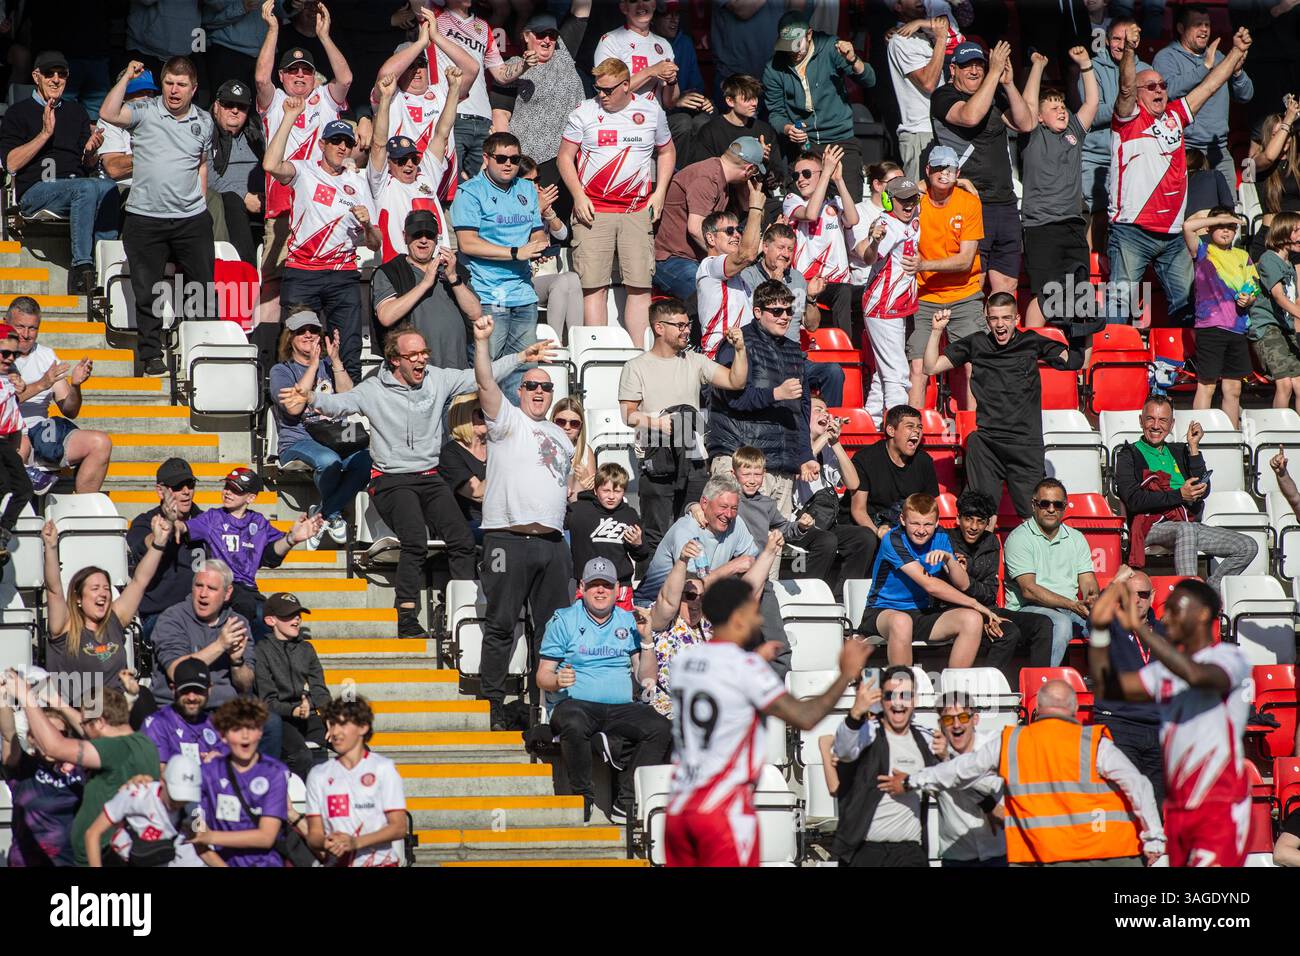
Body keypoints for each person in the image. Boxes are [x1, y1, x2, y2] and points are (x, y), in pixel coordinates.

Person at [278, 327, 542, 638]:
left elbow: (479, 377)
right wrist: (309, 396)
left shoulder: (437, 379)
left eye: (424, 353)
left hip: (430, 476)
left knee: (461, 539)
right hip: (390, 479)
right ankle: (406, 618)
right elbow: (340, 404)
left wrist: (520, 357)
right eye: (413, 355)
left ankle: (466, 611)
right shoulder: (374, 389)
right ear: (394, 361)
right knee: (415, 539)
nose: (422, 360)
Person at [664, 578, 872, 866]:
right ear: (738, 618)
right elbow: (806, 717)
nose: (759, 618)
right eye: (754, 611)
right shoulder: (748, 669)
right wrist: (845, 675)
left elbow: (721, 683)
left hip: (678, 807)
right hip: (723, 810)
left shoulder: (684, 663)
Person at [882, 678, 1165, 866]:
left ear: (1037, 708)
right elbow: (1138, 784)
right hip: (1107, 853)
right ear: (1075, 708)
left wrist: (910, 780)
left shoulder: (1012, 741)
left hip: (1046, 856)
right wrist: (1153, 837)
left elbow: (958, 771)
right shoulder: (1095, 744)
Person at [1089, 576, 1251, 866]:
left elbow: (1197, 676)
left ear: (1202, 614)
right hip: (1178, 805)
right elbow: (1105, 686)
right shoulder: (1164, 671)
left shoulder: (1229, 657)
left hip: (1217, 802)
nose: (1166, 616)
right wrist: (1100, 631)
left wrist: (1139, 628)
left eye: (1176, 609)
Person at [1106, 22, 1251, 327]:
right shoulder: (1128, 118)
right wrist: (1131, 50)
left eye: (1162, 85)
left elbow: (1209, 86)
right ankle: (1113, 363)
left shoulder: (1175, 115)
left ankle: (1180, 363)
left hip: (1172, 233)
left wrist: (1237, 52)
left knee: (1187, 305)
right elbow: (1126, 86)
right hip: (1132, 230)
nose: (1159, 90)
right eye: (1152, 87)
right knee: (1119, 305)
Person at [472, 314, 575, 728]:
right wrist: (483, 342)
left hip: (552, 543)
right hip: (507, 538)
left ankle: (545, 706)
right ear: (520, 391)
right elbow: (483, 382)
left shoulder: (562, 436)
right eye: (531, 385)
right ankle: (495, 704)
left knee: (553, 632)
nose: (538, 391)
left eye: (545, 387)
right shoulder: (507, 420)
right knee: (500, 622)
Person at [99, 57, 215, 378]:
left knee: (202, 288)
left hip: (190, 220)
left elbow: (201, 163)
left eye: (181, 85)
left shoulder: (205, 121)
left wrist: (201, 206)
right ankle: (151, 355)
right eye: (169, 83)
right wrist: (126, 77)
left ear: (193, 89)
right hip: (145, 217)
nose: (174, 91)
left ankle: (201, 349)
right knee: (147, 291)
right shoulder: (145, 110)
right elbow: (107, 113)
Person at [924, 293, 1084, 517]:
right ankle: (982, 550)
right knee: (979, 513)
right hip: (989, 442)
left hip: (1025, 444)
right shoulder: (977, 343)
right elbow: (931, 367)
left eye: (1006, 318)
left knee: (1034, 518)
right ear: (986, 319)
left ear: (1017, 318)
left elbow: (1077, 362)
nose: (1000, 325)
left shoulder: (1031, 341)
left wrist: (1085, 334)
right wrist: (936, 331)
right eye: (994, 319)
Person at [538, 556, 671, 823]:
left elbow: (646, 677)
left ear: (616, 591)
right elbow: (542, 675)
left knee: (661, 728)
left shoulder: (628, 619)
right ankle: (582, 798)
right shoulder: (564, 620)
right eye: (594, 585)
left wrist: (646, 642)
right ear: (582, 588)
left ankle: (626, 801)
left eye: (607, 585)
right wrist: (556, 681)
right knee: (573, 721)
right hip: (576, 703)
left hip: (621, 706)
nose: (601, 591)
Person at [558, 57, 675, 346]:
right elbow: (564, 157)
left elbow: (667, 151)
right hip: (593, 211)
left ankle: (637, 357)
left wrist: (659, 192)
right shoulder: (584, 111)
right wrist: (578, 194)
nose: (602, 95)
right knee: (593, 286)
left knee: (639, 287)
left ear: (626, 85)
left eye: (609, 90)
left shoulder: (650, 110)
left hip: (636, 209)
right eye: (598, 88)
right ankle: (597, 354)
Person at [618, 298, 747, 554]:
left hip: (692, 453)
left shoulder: (695, 360)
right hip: (658, 453)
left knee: (692, 531)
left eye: (688, 325)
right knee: (656, 536)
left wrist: (741, 350)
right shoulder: (636, 366)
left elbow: (736, 381)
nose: (687, 330)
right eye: (680, 325)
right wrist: (656, 423)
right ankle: (653, 590)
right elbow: (628, 414)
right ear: (659, 327)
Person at [264, 99, 380, 382]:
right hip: (303, 274)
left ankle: (346, 410)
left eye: (347, 143)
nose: (342, 147)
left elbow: (375, 243)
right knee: (296, 342)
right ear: (322, 144)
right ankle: (292, 405)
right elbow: (270, 164)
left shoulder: (358, 183)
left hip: (343, 275)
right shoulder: (304, 171)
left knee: (349, 346)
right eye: (335, 141)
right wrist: (289, 116)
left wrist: (367, 225)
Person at [254, 0, 353, 311]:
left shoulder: (325, 99)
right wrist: (272, 30)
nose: (299, 76)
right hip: (283, 207)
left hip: (323, 206)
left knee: (322, 283)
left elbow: (346, 79)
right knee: (274, 283)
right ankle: (270, 353)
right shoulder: (276, 101)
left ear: (314, 77)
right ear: (282, 76)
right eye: (292, 71)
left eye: (306, 71)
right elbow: (260, 79)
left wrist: (324, 35)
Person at [0, 50, 118, 295]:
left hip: (74, 186)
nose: (55, 79)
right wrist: (44, 134)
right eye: (48, 73)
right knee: (85, 188)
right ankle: (81, 270)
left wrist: (90, 151)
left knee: (108, 188)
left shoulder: (76, 112)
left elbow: (88, 163)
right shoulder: (18, 112)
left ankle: (106, 267)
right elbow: (11, 163)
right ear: (36, 76)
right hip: (36, 190)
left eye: (61, 74)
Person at [6, 681, 161, 868]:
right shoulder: (141, 742)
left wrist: (26, 696)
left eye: (85, 723)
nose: (83, 729)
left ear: (101, 722)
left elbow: (54, 746)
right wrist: (59, 703)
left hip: (107, 858)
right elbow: (93, 730)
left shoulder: (113, 748)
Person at [1113, 394, 1257, 589]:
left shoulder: (1181, 450)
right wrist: (1179, 495)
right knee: (1186, 529)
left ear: (1172, 424)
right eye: (1150, 419)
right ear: (1141, 421)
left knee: (1247, 546)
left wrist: (1194, 448)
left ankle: (1207, 591)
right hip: (1150, 525)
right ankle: (1189, 598)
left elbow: (1203, 491)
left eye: (1163, 420)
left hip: (1185, 523)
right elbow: (1133, 500)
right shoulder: (1128, 454)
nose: (1156, 426)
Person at [929, 40, 1036, 297]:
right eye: (968, 66)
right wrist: (994, 74)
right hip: (970, 202)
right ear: (953, 70)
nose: (975, 71)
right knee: (974, 283)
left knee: (1007, 286)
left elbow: (1027, 123)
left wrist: (1008, 83)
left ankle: (1000, 336)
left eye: (979, 65)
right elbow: (970, 116)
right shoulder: (944, 96)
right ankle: (972, 337)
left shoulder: (995, 93)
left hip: (1005, 202)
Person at [707, 280, 818, 518]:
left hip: (782, 464)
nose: (785, 317)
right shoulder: (737, 344)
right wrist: (776, 394)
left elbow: (802, 409)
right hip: (744, 463)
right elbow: (731, 397)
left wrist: (805, 455)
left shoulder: (793, 350)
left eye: (789, 311)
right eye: (777, 311)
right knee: (741, 545)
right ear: (758, 312)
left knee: (774, 546)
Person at [451, 130, 547, 399]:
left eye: (515, 159)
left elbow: (537, 231)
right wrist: (516, 252)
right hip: (488, 295)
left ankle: (519, 436)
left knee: (525, 375)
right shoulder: (470, 192)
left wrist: (538, 245)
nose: (509, 164)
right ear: (486, 158)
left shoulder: (527, 188)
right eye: (501, 158)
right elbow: (467, 243)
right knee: (487, 373)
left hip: (524, 296)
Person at [855, 493, 1000, 668]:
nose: (921, 530)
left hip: (922, 613)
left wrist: (949, 559)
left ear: (937, 522)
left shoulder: (941, 537)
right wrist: (975, 603)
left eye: (928, 524)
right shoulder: (893, 540)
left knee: (972, 619)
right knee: (902, 621)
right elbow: (930, 585)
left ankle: (954, 690)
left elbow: (962, 584)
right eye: (915, 523)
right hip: (883, 612)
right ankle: (902, 688)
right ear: (902, 519)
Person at [174, 467, 322, 635]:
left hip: (249, 589)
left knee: (274, 618)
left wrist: (292, 539)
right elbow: (184, 527)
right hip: (222, 586)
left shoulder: (258, 522)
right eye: (227, 487)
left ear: (250, 497)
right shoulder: (213, 518)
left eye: (236, 490)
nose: (228, 492)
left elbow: (272, 555)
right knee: (249, 609)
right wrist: (172, 525)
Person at [40, 513, 169, 703]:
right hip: (79, 712)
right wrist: (51, 547)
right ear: (78, 598)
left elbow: (140, 581)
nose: (103, 594)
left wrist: (159, 543)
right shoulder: (65, 627)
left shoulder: (113, 622)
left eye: (106, 588)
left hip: (114, 711)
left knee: (145, 699)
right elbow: (54, 590)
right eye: (95, 589)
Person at [269, 312, 370, 547]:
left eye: (313, 330)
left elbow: (348, 400)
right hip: (298, 439)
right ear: (290, 338)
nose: (308, 335)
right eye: (301, 331)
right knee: (329, 460)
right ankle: (333, 515)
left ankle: (324, 513)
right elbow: (294, 409)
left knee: (366, 461)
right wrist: (313, 365)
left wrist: (335, 361)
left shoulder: (329, 366)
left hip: (335, 436)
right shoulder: (281, 371)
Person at [1020, 47, 1099, 332]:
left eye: (1062, 106)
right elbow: (1028, 107)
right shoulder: (1032, 134)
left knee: (1081, 299)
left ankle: (1079, 367)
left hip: (1073, 227)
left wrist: (1086, 65)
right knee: (1045, 296)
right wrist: (1039, 67)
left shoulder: (1073, 133)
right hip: (1042, 227)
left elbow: (1092, 102)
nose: (1061, 111)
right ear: (1041, 117)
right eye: (1053, 108)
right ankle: (1032, 354)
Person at [490, 5, 591, 230]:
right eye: (540, 34)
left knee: (564, 215)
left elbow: (582, 11)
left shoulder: (563, 53)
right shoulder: (512, 66)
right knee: (528, 216)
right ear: (526, 36)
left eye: (552, 35)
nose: (547, 40)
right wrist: (506, 157)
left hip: (569, 152)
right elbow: (500, 113)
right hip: (532, 159)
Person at [830, 666, 942, 866]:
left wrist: (943, 757)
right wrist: (856, 711)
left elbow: (947, 781)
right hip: (866, 851)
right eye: (890, 695)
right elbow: (844, 750)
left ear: (915, 700)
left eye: (905, 695)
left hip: (909, 851)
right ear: (882, 700)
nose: (898, 703)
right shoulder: (868, 733)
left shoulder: (926, 739)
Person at [762, 11, 873, 203]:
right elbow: (776, 113)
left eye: (797, 45)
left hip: (840, 139)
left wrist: (854, 60)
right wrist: (788, 128)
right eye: (787, 46)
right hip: (804, 142)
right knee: (799, 202)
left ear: (809, 35)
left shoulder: (830, 47)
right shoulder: (774, 68)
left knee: (850, 202)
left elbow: (869, 80)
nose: (793, 51)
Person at [10, 297, 112, 495]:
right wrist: (42, 384)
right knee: (22, 446)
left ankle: (82, 512)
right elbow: (5, 401)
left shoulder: (47, 355)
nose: (26, 334)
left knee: (101, 443)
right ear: (6, 324)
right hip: (9, 432)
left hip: (42, 435)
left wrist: (75, 385)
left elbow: (70, 410)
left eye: (32, 328)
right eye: (20, 327)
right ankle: (13, 519)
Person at [908, 146, 983, 409]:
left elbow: (965, 261)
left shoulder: (970, 202)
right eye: (937, 168)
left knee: (974, 363)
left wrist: (923, 264)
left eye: (949, 169)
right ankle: (914, 427)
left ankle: (972, 433)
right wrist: (915, 185)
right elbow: (884, 198)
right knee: (918, 366)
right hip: (925, 296)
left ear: (957, 172)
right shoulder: (914, 199)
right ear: (928, 170)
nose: (943, 173)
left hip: (964, 294)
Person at [949, 490, 1054, 677]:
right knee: (1008, 632)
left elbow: (990, 592)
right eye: (968, 519)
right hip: (957, 614)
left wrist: (968, 579)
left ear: (987, 523)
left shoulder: (990, 542)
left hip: (987, 609)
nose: (974, 526)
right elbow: (945, 593)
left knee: (1043, 623)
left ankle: (1038, 686)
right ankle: (986, 691)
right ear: (958, 518)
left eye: (980, 521)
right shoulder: (945, 540)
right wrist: (983, 615)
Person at [1152, 4, 1254, 190]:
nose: (1204, 30)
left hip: (1220, 150)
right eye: (1197, 24)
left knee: (1228, 211)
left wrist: (1237, 71)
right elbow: (1169, 91)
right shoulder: (1166, 57)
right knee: (1191, 213)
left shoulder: (1220, 57)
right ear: (1181, 28)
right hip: (1185, 150)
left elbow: (1245, 95)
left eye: (1207, 24)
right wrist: (1204, 68)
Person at [1002, 477, 1099, 666]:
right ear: (1034, 505)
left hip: (1069, 608)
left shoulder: (1076, 538)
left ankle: (1111, 688)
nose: (1051, 509)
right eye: (1044, 503)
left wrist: (1092, 597)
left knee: (1109, 623)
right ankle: (1045, 685)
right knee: (1060, 625)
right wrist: (1072, 605)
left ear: (1065, 506)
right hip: (1028, 609)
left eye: (1057, 504)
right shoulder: (1019, 538)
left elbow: (1087, 580)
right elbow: (1029, 590)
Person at [654, 139, 765, 303]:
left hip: (693, 259)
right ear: (749, 169)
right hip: (670, 259)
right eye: (754, 173)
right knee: (717, 297)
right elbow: (695, 227)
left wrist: (746, 190)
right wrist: (729, 259)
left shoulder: (720, 178)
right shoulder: (707, 178)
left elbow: (746, 212)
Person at [1090, 565, 1166, 807]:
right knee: (1123, 801)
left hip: (1158, 728)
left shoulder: (1166, 632)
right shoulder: (1112, 625)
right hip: (1119, 722)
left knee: (1156, 803)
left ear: (1152, 596)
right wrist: (1115, 582)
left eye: (1143, 594)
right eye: (1130, 593)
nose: (1136, 600)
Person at [433, 0, 535, 177]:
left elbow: (501, 74)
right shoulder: (434, 15)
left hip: (483, 120)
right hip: (450, 114)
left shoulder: (483, 26)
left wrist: (524, 65)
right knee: (448, 181)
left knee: (483, 185)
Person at [305, 697, 408, 867]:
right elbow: (314, 834)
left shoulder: (383, 768)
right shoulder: (318, 775)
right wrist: (326, 843)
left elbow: (399, 827)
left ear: (363, 727)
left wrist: (355, 843)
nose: (335, 731)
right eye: (331, 724)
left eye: (343, 724)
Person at [368, 69, 459, 262]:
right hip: (398, 268)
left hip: (437, 265)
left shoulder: (426, 176)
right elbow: (378, 144)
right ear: (389, 163)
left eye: (414, 159)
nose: (409, 165)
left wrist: (454, 89)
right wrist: (385, 99)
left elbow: (442, 133)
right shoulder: (382, 185)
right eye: (401, 160)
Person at [373, 209, 481, 367]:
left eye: (429, 235)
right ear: (405, 236)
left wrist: (453, 278)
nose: (423, 240)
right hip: (415, 370)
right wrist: (425, 284)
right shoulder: (390, 271)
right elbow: (386, 316)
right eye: (416, 234)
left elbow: (475, 313)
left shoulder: (452, 268)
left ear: (437, 239)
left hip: (456, 370)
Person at [192, 697, 290, 867]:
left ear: (260, 732)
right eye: (237, 729)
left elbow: (266, 837)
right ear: (223, 736)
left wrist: (212, 836)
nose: (245, 736)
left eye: (251, 728)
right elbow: (198, 839)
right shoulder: (206, 774)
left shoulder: (274, 772)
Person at [853, 177, 921, 423]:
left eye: (912, 199)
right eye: (902, 200)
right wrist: (874, 240)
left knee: (885, 371)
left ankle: (871, 422)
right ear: (888, 200)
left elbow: (929, 187)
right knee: (897, 373)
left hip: (898, 306)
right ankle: (898, 427)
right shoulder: (886, 224)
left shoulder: (914, 212)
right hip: (883, 305)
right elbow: (869, 258)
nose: (908, 204)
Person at [148, 559, 256, 712]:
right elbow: (177, 671)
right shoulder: (172, 618)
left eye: (211, 588)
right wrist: (220, 646)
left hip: (226, 711)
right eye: (199, 586)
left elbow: (245, 685)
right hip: (179, 708)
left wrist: (237, 662)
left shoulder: (237, 624)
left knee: (271, 723)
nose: (203, 594)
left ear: (228, 593)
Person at [845, 404, 938, 578]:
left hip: (905, 524)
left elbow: (929, 507)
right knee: (869, 539)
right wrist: (879, 533)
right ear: (890, 430)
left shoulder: (924, 461)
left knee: (939, 536)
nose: (916, 432)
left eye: (919, 427)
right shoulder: (866, 459)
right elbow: (858, 510)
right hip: (871, 525)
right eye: (910, 426)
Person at [1078, 19, 1148, 250]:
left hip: (1134, 156)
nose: (1121, 44)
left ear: (1136, 41)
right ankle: (1092, 276)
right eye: (1116, 39)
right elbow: (1092, 115)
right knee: (1096, 215)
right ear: (1106, 41)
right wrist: (1126, 104)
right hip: (1097, 156)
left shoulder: (1146, 71)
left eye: (1127, 39)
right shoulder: (1092, 68)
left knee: (1132, 217)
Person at [1182, 209, 1257, 426]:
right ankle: (1196, 436)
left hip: (1237, 329)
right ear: (1209, 228)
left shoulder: (1243, 256)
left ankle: (1231, 438)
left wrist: (1248, 299)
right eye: (1221, 226)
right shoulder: (1204, 251)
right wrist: (1221, 218)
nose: (1226, 230)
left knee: (1233, 389)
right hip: (1210, 327)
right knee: (1207, 385)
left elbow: (1253, 288)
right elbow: (1188, 227)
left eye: (1231, 227)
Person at [0, 687, 86, 867]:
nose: (50, 740)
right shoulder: (23, 768)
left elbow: (100, 740)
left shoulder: (82, 767)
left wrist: (60, 706)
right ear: (31, 738)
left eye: (59, 734)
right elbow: (9, 736)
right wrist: (3, 698)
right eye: (44, 733)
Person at [794, 398, 872, 587]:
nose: (826, 414)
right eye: (818, 410)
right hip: (798, 523)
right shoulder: (792, 442)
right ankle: (809, 594)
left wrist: (835, 442)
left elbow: (853, 483)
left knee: (865, 537)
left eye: (827, 411)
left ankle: (842, 596)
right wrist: (824, 438)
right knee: (827, 541)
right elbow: (798, 466)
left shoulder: (827, 448)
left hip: (824, 520)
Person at [127, 459, 207, 642]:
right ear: (159, 490)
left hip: (203, 612)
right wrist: (166, 527)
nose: (186, 491)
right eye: (178, 486)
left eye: (190, 484)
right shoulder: (145, 522)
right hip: (160, 615)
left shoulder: (206, 521)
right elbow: (146, 543)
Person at [783, 145, 860, 332]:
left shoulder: (835, 202)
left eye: (807, 173)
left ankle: (853, 354)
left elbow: (853, 219)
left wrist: (838, 179)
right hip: (803, 282)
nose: (800, 179)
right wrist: (825, 174)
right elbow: (810, 214)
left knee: (861, 293)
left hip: (836, 282)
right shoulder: (792, 200)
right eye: (796, 175)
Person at [925, 692, 1008, 867]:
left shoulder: (994, 742)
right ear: (940, 725)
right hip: (957, 856)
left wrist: (949, 761)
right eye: (948, 719)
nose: (956, 724)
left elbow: (991, 786)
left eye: (963, 717)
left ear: (975, 719)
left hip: (997, 853)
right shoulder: (932, 756)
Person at [255, 591, 329, 781]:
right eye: (289, 615)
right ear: (271, 620)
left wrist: (327, 715)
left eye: (298, 614)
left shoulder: (306, 648)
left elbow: (319, 689)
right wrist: (294, 710)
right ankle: (294, 801)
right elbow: (267, 701)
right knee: (301, 756)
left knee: (352, 743)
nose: (296, 619)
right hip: (280, 719)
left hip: (306, 715)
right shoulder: (261, 651)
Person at [84, 753, 204, 868]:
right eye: (175, 796)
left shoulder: (194, 810)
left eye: (186, 798)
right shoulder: (136, 794)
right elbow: (92, 833)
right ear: (163, 781)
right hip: (121, 862)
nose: (179, 804)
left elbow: (202, 841)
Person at [565, 463, 649, 609]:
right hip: (586, 584)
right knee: (585, 629)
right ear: (596, 490)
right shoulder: (578, 511)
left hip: (620, 585)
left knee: (623, 630)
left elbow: (642, 555)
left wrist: (638, 544)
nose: (611, 496)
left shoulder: (629, 515)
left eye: (617, 491)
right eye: (606, 490)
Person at [642, 540, 709, 717]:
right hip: (670, 710)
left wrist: (769, 552)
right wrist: (682, 560)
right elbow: (667, 600)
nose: (696, 601)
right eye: (690, 596)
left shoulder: (707, 626)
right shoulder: (664, 622)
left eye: (701, 597)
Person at [695, 199, 765, 359]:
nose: (736, 235)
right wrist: (754, 207)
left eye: (739, 230)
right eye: (729, 231)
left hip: (745, 354)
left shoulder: (742, 275)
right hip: (720, 356)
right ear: (711, 238)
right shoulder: (709, 266)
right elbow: (746, 255)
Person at [207, 79, 264, 266]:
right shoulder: (205, 132)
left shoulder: (257, 134)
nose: (234, 110)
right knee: (232, 199)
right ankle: (247, 273)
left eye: (241, 107)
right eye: (228, 104)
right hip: (227, 203)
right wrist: (244, 195)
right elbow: (205, 175)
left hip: (264, 200)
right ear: (216, 106)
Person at [685, 74, 782, 182]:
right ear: (730, 101)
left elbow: (777, 172)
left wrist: (764, 161)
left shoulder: (764, 130)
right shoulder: (710, 131)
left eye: (755, 98)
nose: (754, 103)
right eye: (747, 99)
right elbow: (703, 173)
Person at [1248, 213, 1300, 411]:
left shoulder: (1289, 266)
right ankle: (1279, 432)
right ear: (1282, 232)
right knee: (1284, 384)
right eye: (1297, 231)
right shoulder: (1269, 259)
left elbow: (1294, 298)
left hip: (1285, 328)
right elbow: (1279, 297)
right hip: (1268, 328)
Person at [887, 13, 948, 181]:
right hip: (919, 132)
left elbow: (945, 21)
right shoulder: (900, 40)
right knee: (916, 201)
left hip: (942, 129)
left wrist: (920, 22)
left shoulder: (926, 33)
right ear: (898, 6)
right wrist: (941, 40)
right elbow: (928, 83)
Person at [141, 658, 229, 769]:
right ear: (173, 689)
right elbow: (158, 773)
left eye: (198, 690)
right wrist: (206, 769)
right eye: (185, 690)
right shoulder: (158, 724)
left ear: (209, 689)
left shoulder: (216, 724)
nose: (191, 698)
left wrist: (220, 762)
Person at [593, 0, 679, 107]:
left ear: (653, 5)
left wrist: (671, 80)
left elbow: (670, 103)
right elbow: (608, 92)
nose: (641, 5)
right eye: (634, 1)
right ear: (624, 7)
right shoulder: (610, 40)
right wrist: (651, 71)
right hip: (621, 120)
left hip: (655, 120)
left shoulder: (664, 44)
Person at [96, 67, 156, 190]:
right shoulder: (109, 123)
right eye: (139, 92)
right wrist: (157, 154)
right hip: (121, 189)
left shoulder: (159, 119)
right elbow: (114, 169)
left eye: (149, 92)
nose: (146, 98)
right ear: (123, 96)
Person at [551, 397, 598, 502]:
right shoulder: (543, 448)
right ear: (552, 422)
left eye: (574, 423)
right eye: (561, 422)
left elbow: (594, 492)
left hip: (577, 510)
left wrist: (585, 482)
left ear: (581, 426)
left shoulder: (585, 451)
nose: (567, 427)